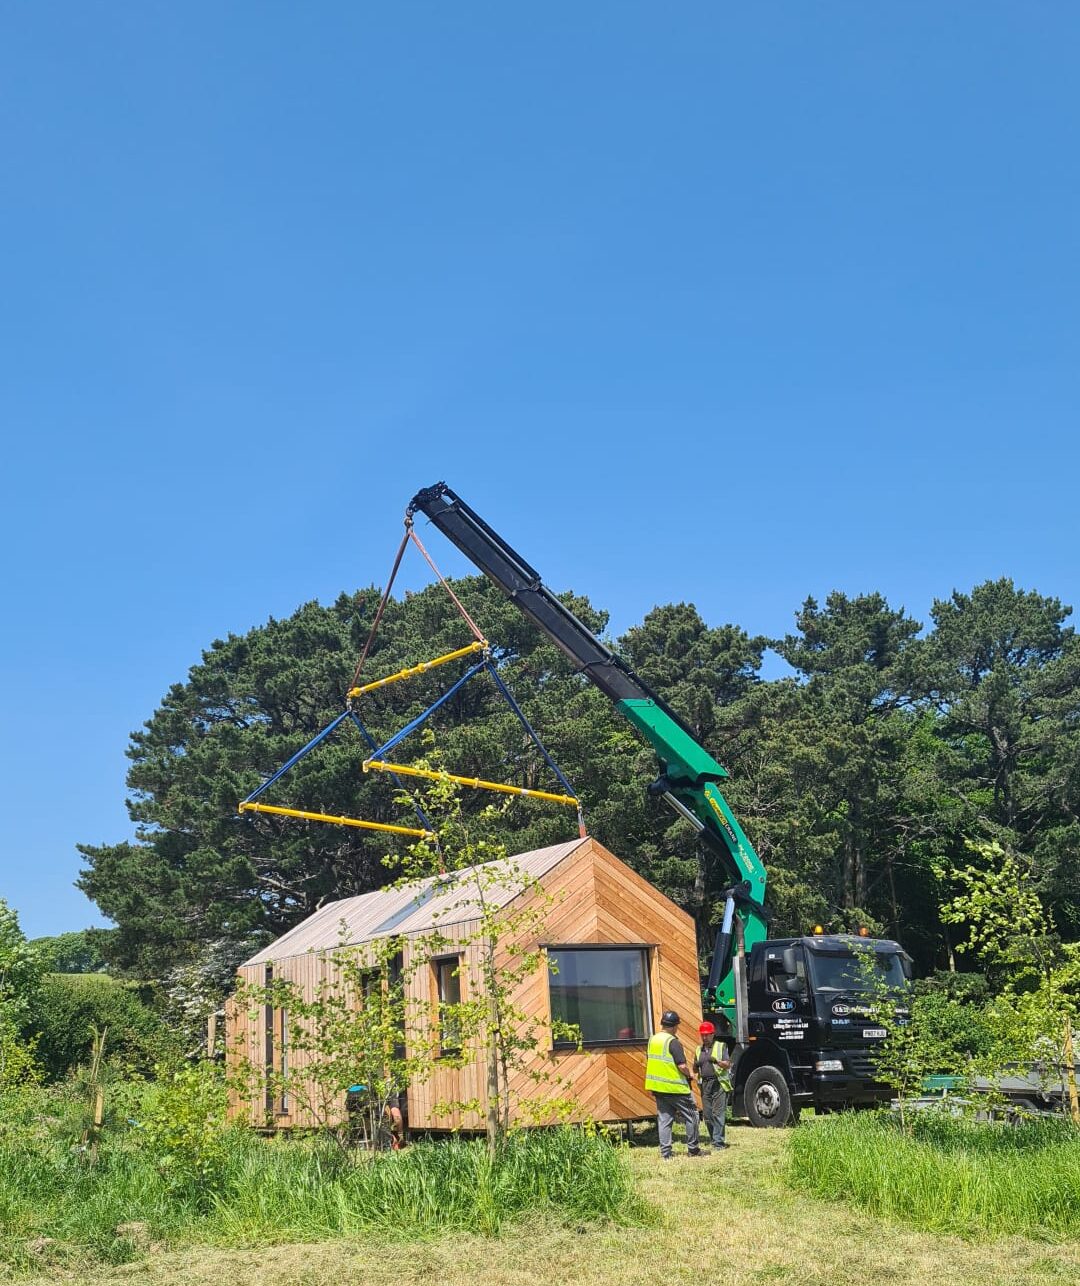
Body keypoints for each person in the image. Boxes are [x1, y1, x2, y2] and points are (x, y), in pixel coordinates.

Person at [644, 1009, 703, 1160]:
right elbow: (681, 1066)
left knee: (664, 1120)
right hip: (676, 1088)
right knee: (692, 1116)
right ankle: (693, 1149)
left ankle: (665, 1154)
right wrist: (690, 1075)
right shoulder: (673, 1042)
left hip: (658, 1087)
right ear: (674, 1026)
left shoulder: (653, 1040)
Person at [694, 1020, 733, 1148]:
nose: (704, 1037)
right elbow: (695, 1069)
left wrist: (716, 1061)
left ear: (712, 1034)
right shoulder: (698, 1050)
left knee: (718, 1114)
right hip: (705, 1084)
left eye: (707, 1035)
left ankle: (718, 1143)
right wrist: (695, 1066)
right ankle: (713, 1138)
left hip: (718, 1083)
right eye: (703, 1035)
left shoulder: (721, 1046)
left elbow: (727, 1065)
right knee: (708, 1115)